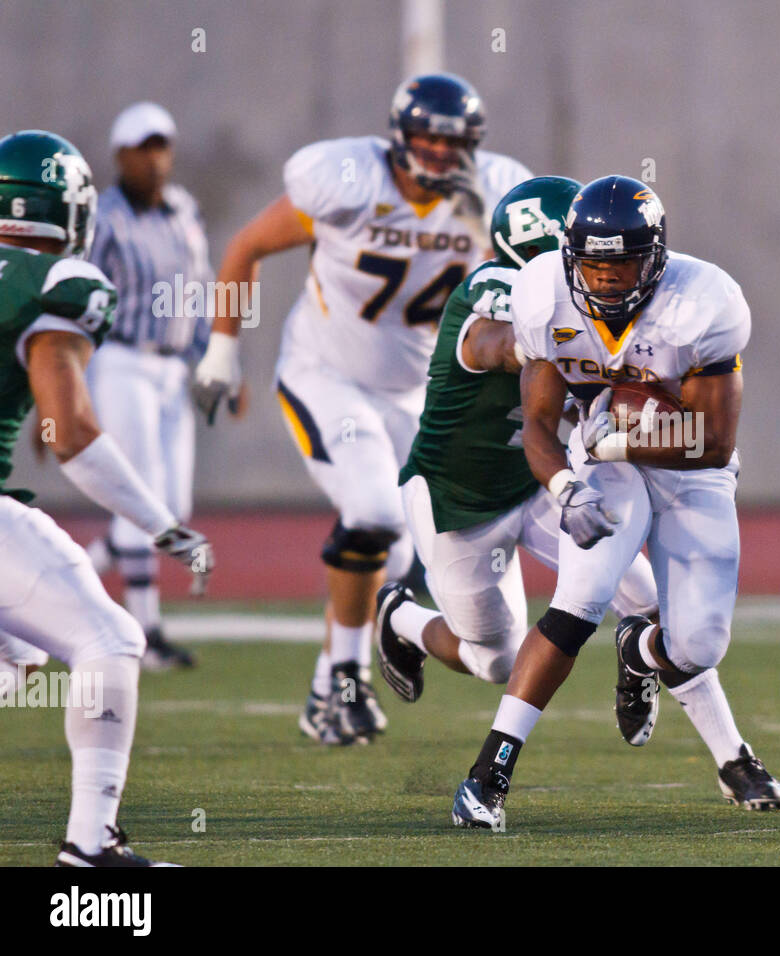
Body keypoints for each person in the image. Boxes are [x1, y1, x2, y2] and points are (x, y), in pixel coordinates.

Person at [191, 74, 531, 744]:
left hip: (420, 393)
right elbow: (247, 247)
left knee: (417, 557)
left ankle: (334, 677)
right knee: (374, 513)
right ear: (399, 135)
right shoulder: (348, 182)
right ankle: (343, 678)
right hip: (329, 376)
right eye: (428, 139)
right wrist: (220, 356)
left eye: (453, 142)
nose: (438, 154)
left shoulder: (488, 199)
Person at [451, 175, 780, 830]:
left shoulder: (705, 301)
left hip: (690, 469)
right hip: (603, 457)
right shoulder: (542, 294)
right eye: (594, 262)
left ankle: (642, 651)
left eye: (623, 263)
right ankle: (489, 771)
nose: (606, 278)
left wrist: (631, 433)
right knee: (578, 603)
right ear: (570, 255)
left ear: (655, 257)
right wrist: (565, 486)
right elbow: (541, 425)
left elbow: (714, 442)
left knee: (699, 646)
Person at [0, 129, 212, 865]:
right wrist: (159, 523)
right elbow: (73, 434)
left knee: (18, 652)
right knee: (111, 640)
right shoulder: (58, 282)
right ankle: (90, 848)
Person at [376, 174, 661, 706]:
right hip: (459, 500)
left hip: (536, 483)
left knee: (649, 600)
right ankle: (403, 619)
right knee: (494, 660)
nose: (598, 268)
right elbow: (505, 347)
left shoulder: (584, 302)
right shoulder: (491, 292)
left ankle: (637, 673)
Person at [82, 101, 213, 670]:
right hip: (121, 359)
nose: (155, 160)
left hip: (171, 365)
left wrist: (216, 360)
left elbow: (202, 287)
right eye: (144, 149)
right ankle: (145, 632)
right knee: (142, 501)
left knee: (172, 507)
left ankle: (76, 571)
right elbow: (78, 297)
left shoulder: (184, 209)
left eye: (162, 147)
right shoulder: (102, 217)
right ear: (121, 155)